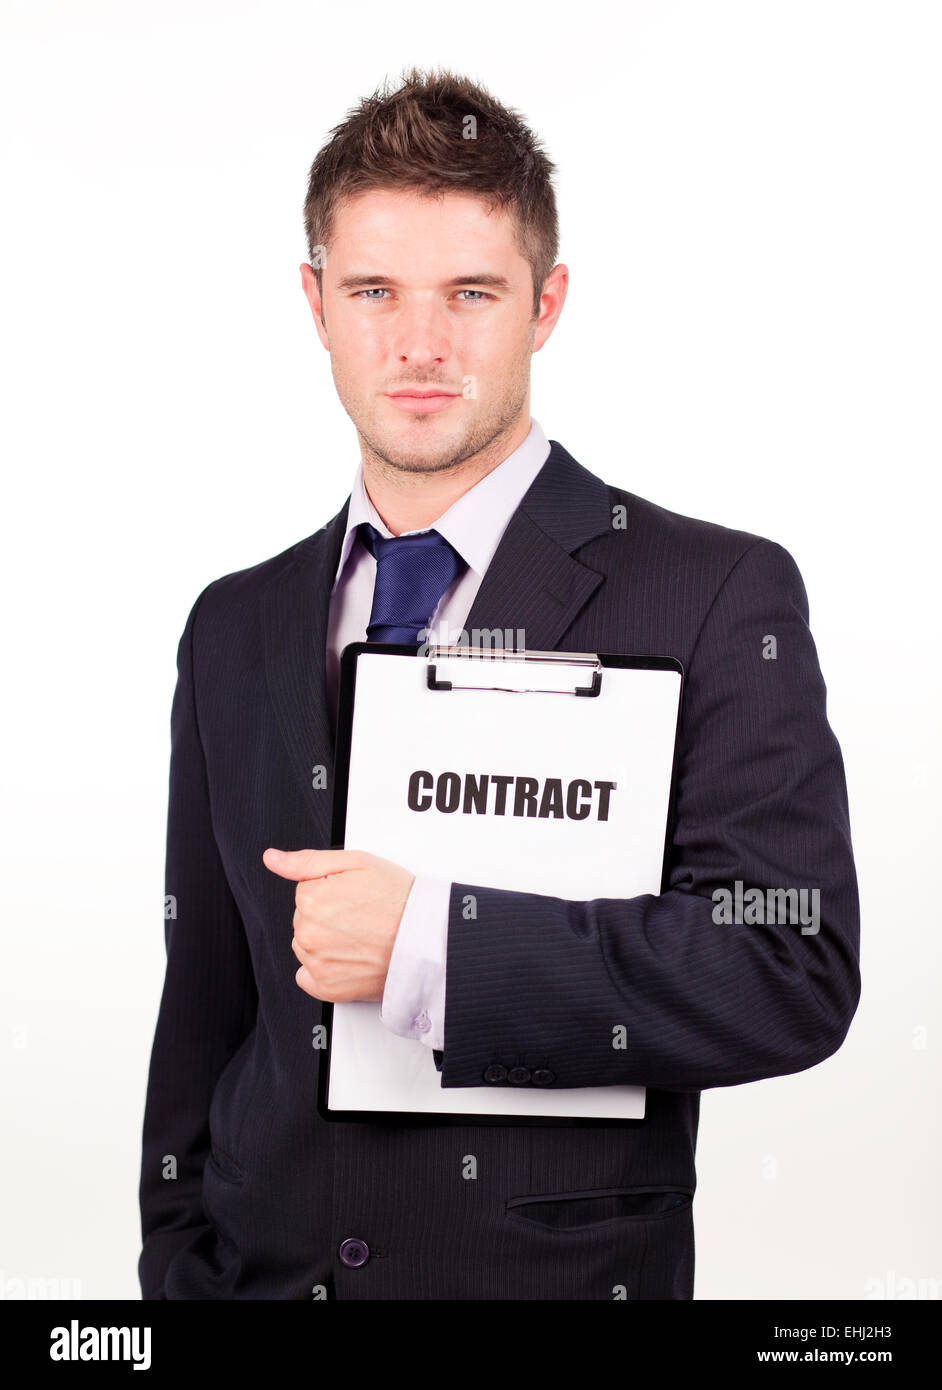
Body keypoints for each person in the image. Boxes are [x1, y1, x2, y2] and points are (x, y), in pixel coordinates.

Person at [138, 67, 861, 1300]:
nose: (420, 346)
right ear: (316, 304)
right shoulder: (233, 625)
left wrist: (435, 940)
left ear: (547, 304)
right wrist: (179, 1268)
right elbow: (203, 1010)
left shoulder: (715, 594)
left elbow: (788, 964)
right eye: (374, 291)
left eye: (471, 293)